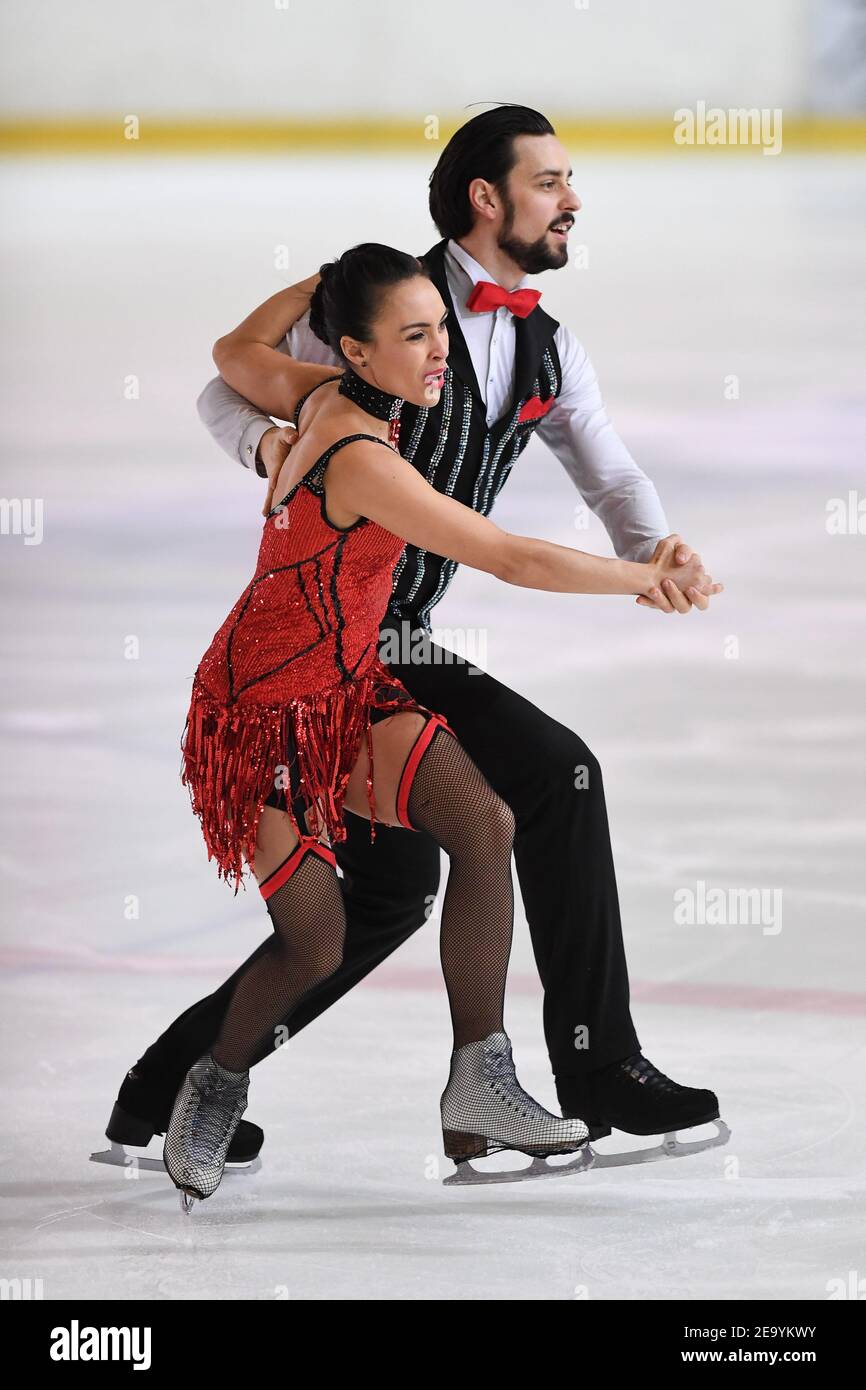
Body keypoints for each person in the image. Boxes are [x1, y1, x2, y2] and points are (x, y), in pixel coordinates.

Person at [108, 105, 725, 1177]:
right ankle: (596, 1070)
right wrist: (277, 448)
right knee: (556, 776)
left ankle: (169, 1085)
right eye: (549, 182)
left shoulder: (544, 345)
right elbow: (228, 382)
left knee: (392, 892)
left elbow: (605, 466)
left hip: (403, 636)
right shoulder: (379, 307)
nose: (570, 199)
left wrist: (653, 546)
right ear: (486, 199)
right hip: (329, 648)